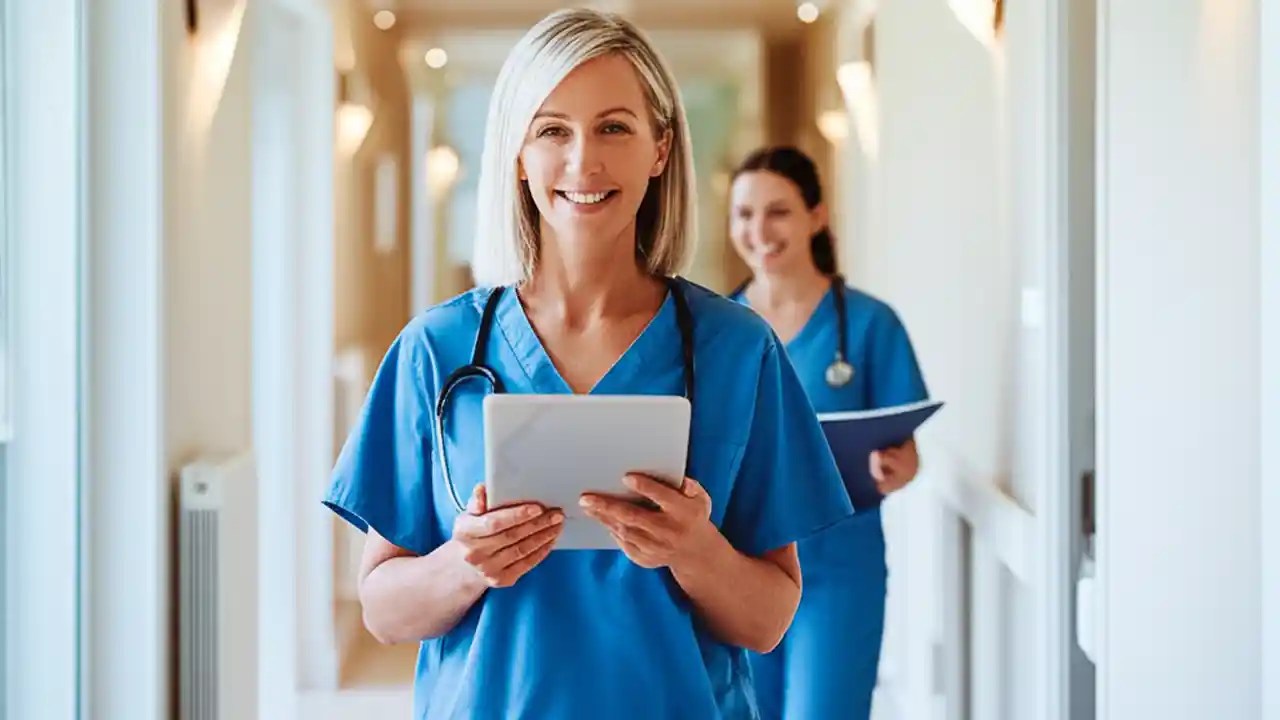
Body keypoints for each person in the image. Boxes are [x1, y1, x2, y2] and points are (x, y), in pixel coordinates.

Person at [323, 12, 853, 720]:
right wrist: (464, 563)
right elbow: (384, 612)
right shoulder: (437, 350)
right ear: (517, 153)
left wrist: (696, 550)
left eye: (613, 127)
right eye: (552, 130)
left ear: (660, 149)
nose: (583, 161)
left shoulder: (738, 351)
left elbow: (767, 620)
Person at [727, 146, 929, 720]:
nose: (759, 231)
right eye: (744, 214)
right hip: (737, 569)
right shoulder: (716, 329)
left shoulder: (869, 324)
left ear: (816, 216)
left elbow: (906, 454)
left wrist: (898, 469)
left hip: (838, 571)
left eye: (778, 212)